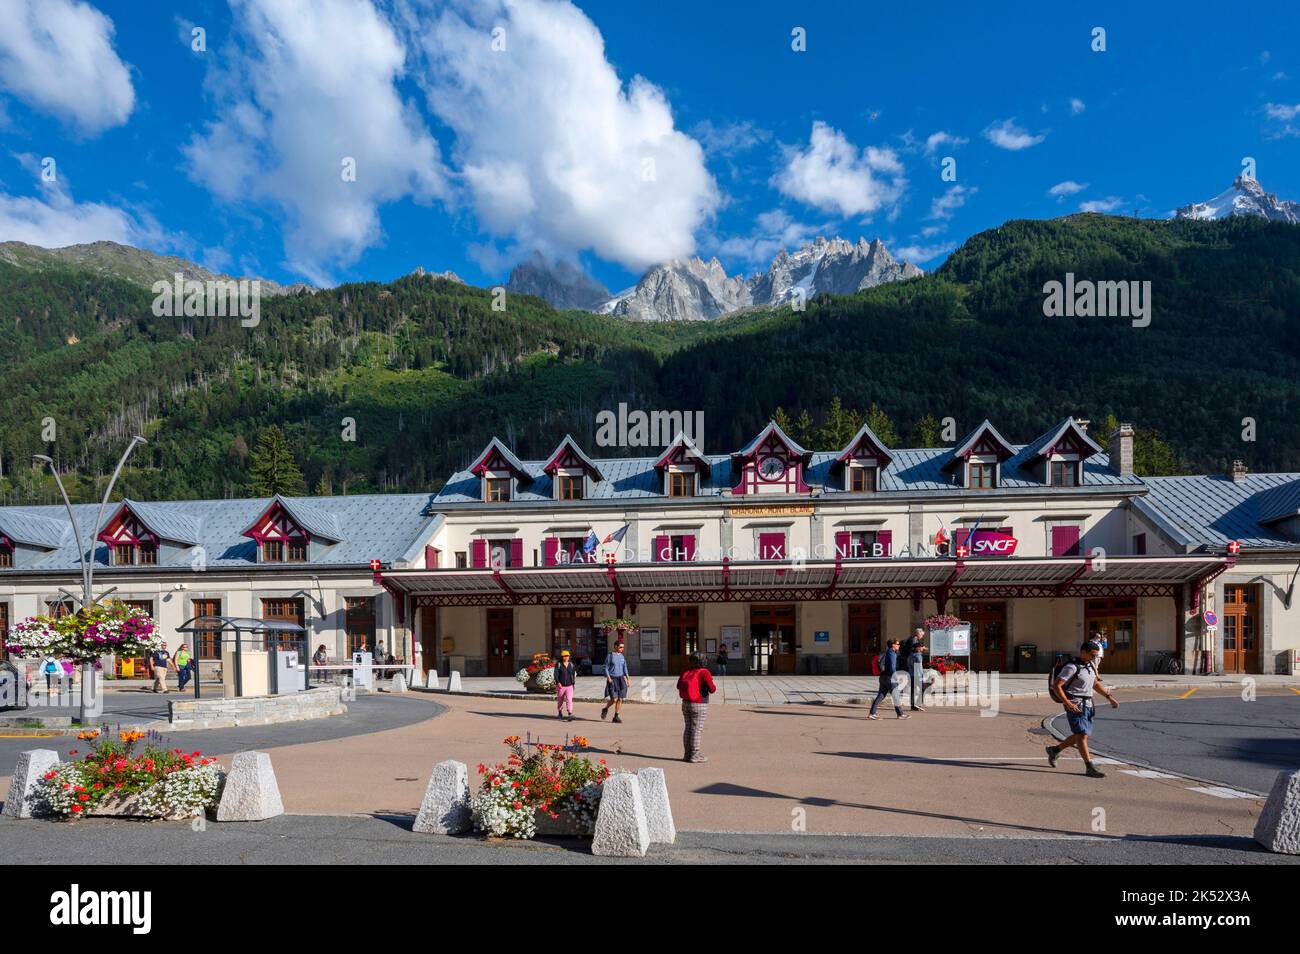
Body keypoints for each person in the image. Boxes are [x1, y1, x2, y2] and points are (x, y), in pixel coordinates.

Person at [1045, 640, 1119, 778]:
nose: (1094, 658)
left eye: (1096, 655)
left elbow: (1095, 684)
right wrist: (1067, 703)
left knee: (1081, 735)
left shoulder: (1090, 665)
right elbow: (1057, 685)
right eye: (1092, 655)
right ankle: (1089, 767)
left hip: (1088, 704)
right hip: (1075, 704)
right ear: (1083, 652)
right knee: (1082, 735)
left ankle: (1055, 750)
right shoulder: (1072, 667)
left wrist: (1109, 697)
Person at [677, 654, 718, 762]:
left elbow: (678, 686)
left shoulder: (685, 671)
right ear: (702, 661)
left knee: (688, 728)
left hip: (685, 703)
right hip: (699, 703)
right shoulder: (704, 672)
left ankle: (687, 754)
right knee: (696, 730)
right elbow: (712, 689)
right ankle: (695, 755)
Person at [869, 638, 910, 720]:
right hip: (889, 678)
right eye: (897, 644)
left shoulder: (887, 652)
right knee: (896, 696)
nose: (899, 646)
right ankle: (900, 714)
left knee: (881, 695)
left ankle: (872, 713)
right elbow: (892, 667)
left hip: (883, 677)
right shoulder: (892, 653)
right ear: (893, 645)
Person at [600, 640, 630, 723]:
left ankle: (616, 716)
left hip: (621, 679)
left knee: (620, 699)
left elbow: (625, 668)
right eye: (620, 647)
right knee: (614, 699)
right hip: (612, 679)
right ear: (615, 647)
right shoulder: (610, 656)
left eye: (623, 647)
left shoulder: (622, 656)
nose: (622, 649)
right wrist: (608, 677)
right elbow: (605, 667)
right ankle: (605, 709)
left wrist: (628, 678)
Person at [903, 627, 928, 711]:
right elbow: (918, 668)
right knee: (923, 688)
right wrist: (921, 677)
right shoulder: (918, 656)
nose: (922, 648)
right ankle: (918, 704)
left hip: (911, 674)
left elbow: (910, 665)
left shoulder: (910, 656)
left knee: (913, 689)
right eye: (921, 647)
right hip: (916, 675)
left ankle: (913, 705)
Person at [554, 649, 577, 720]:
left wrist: (573, 684)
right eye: (564, 656)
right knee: (560, 700)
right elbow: (555, 674)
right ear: (562, 657)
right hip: (561, 686)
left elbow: (573, 675)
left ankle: (570, 713)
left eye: (567, 656)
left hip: (569, 686)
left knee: (569, 699)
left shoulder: (571, 665)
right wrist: (558, 682)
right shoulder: (558, 664)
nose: (566, 657)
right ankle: (560, 712)